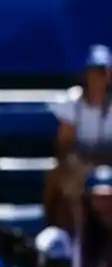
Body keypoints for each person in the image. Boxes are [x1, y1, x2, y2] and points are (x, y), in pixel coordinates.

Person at [44, 45, 112, 235]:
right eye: (95, 72)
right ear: (85, 75)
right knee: (58, 176)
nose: (99, 77)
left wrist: (100, 161)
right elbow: (64, 146)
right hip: (79, 164)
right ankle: (57, 233)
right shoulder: (71, 102)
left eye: (104, 72)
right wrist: (81, 164)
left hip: (108, 164)